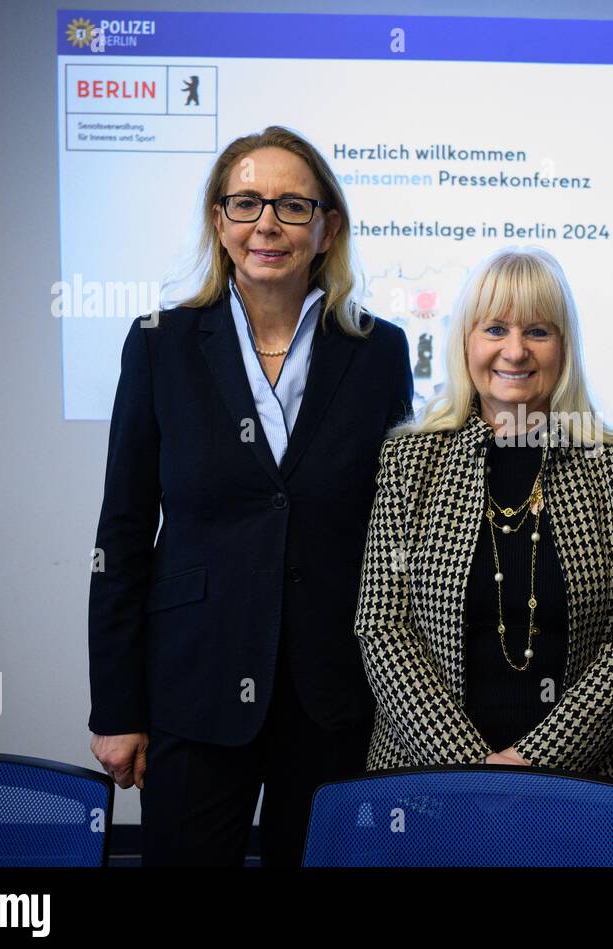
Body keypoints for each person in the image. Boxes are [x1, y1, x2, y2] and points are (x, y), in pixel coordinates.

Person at [87, 126, 413, 866]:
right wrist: (116, 706)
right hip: (193, 687)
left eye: (293, 205)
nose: (267, 223)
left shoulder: (378, 351)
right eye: (246, 203)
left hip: (329, 695)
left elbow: (390, 528)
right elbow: (123, 535)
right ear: (218, 221)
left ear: (328, 227)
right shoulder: (159, 345)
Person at [354, 248, 613, 785]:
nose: (515, 351)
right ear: (466, 343)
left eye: (539, 332)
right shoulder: (409, 461)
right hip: (429, 777)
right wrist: (471, 766)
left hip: (585, 779)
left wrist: (535, 764)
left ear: (564, 347)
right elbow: (382, 627)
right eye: (495, 328)